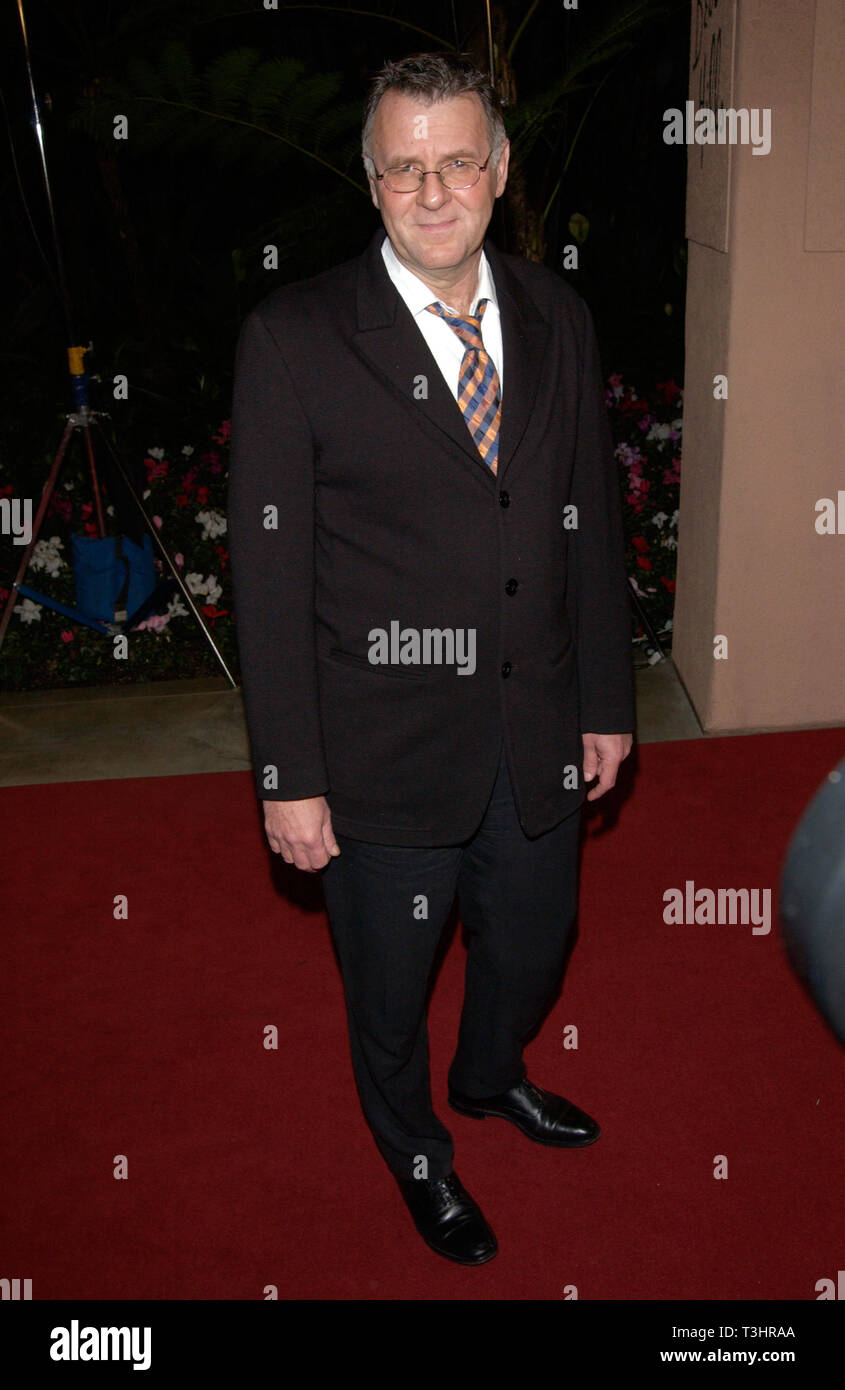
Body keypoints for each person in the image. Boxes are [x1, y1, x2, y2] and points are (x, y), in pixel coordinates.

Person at [228, 52, 635, 1266]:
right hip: (377, 755)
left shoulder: (559, 318)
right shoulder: (293, 338)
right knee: (388, 998)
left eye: (457, 160)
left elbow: (590, 529)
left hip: (535, 731)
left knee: (529, 943)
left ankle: (489, 1072)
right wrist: (286, 777)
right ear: (371, 183)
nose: (433, 188)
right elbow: (266, 576)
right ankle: (419, 1153)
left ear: (498, 169)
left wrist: (604, 702)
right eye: (404, 167)